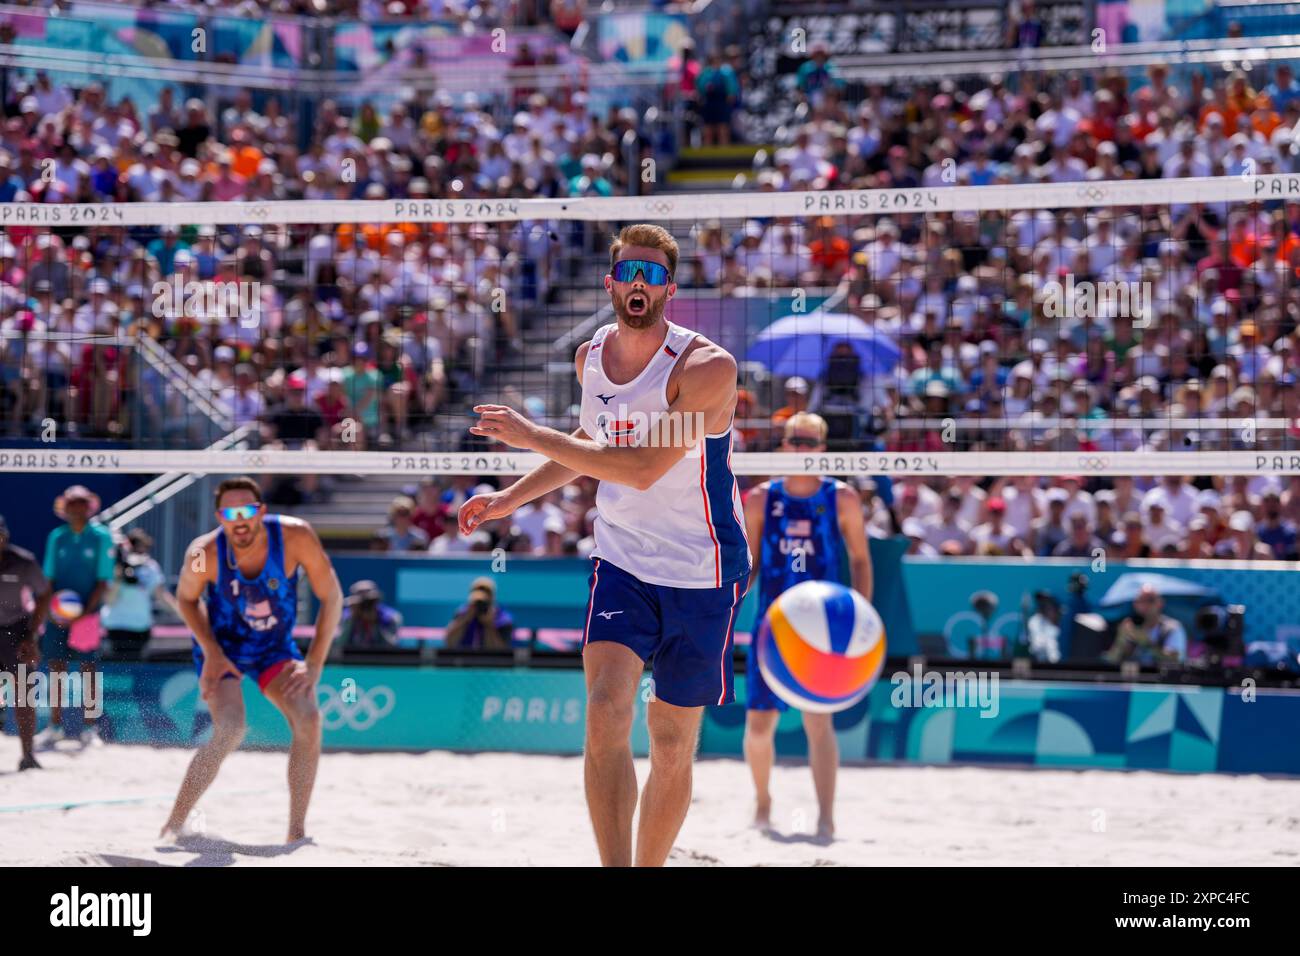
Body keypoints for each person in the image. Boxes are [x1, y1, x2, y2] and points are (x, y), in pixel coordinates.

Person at [458, 223, 749, 867]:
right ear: (609, 281)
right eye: (628, 272)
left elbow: (641, 467)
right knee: (604, 711)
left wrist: (532, 434)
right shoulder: (591, 356)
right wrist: (510, 499)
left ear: (669, 288)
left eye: (652, 275)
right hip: (621, 559)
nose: (638, 283)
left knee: (671, 742)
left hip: (704, 567)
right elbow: (591, 449)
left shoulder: (707, 367)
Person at [160, 476, 342, 844]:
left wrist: (315, 664)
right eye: (230, 512)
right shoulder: (205, 552)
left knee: (308, 718)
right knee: (230, 729)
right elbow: (185, 599)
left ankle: (296, 833)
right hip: (223, 647)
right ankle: (174, 824)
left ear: (261, 511)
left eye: (246, 510)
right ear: (219, 517)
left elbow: (333, 597)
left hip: (273, 647)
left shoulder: (295, 536)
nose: (238, 519)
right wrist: (211, 652)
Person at [741, 412, 873, 840]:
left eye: (809, 441)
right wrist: (728, 605)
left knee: (819, 724)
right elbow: (753, 563)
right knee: (759, 727)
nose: (801, 448)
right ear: (782, 445)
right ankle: (763, 802)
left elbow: (860, 560)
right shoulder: (762, 498)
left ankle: (826, 817)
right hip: (772, 627)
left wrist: (860, 614)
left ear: (822, 447)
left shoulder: (842, 498)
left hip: (826, 630)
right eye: (794, 441)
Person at [37, 485, 115, 748]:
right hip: (58, 615)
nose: (76, 507)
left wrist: (82, 614)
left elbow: (103, 582)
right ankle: (55, 726)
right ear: (65, 507)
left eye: (81, 502)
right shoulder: (57, 537)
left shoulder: (102, 536)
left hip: (88, 614)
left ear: (89, 506)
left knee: (88, 672)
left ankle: (89, 729)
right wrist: (51, 611)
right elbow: (48, 579)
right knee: (56, 668)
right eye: (72, 503)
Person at [0, 513, 50, 770]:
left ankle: (28, 755)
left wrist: (31, 637)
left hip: (16, 631)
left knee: (24, 695)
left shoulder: (23, 561)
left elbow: (44, 595)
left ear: (5, 537)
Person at [100, 529, 178, 660]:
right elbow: (109, 600)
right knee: (116, 672)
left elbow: (162, 596)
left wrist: (183, 613)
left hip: (140, 628)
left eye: (143, 549)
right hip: (116, 627)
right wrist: (119, 577)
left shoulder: (151, 567)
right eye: (136, 549)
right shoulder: (114, 567)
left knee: (137, 672)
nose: (140, 553)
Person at [1103, 584, 1187, 665]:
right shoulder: (1129, 627)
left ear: (1160, 603)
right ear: (1135, 605)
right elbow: (1111, 660)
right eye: (1140, 601)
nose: (1145, 605)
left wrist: (1146, 643)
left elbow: (1176, 660)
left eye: (1150, 600)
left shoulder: (1172, 628)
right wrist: (1121, 641)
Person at [443, 577, 513, 650]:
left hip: (491, 660)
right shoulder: (462, 613)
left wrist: (489, 625)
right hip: (465, 659)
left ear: (493, 597)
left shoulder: (503, 619)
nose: (480, 605)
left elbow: (501, 651)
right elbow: (449, 642)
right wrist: (466, 619)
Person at [339, 580, 403, 649]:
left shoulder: (391, 617)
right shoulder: (345, 617)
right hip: (351, 658)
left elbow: (393, 645)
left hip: (381, 657)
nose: (365, 606)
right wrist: (352, 619)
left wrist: (375, 623)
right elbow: (338, 645)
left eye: (369, 602)